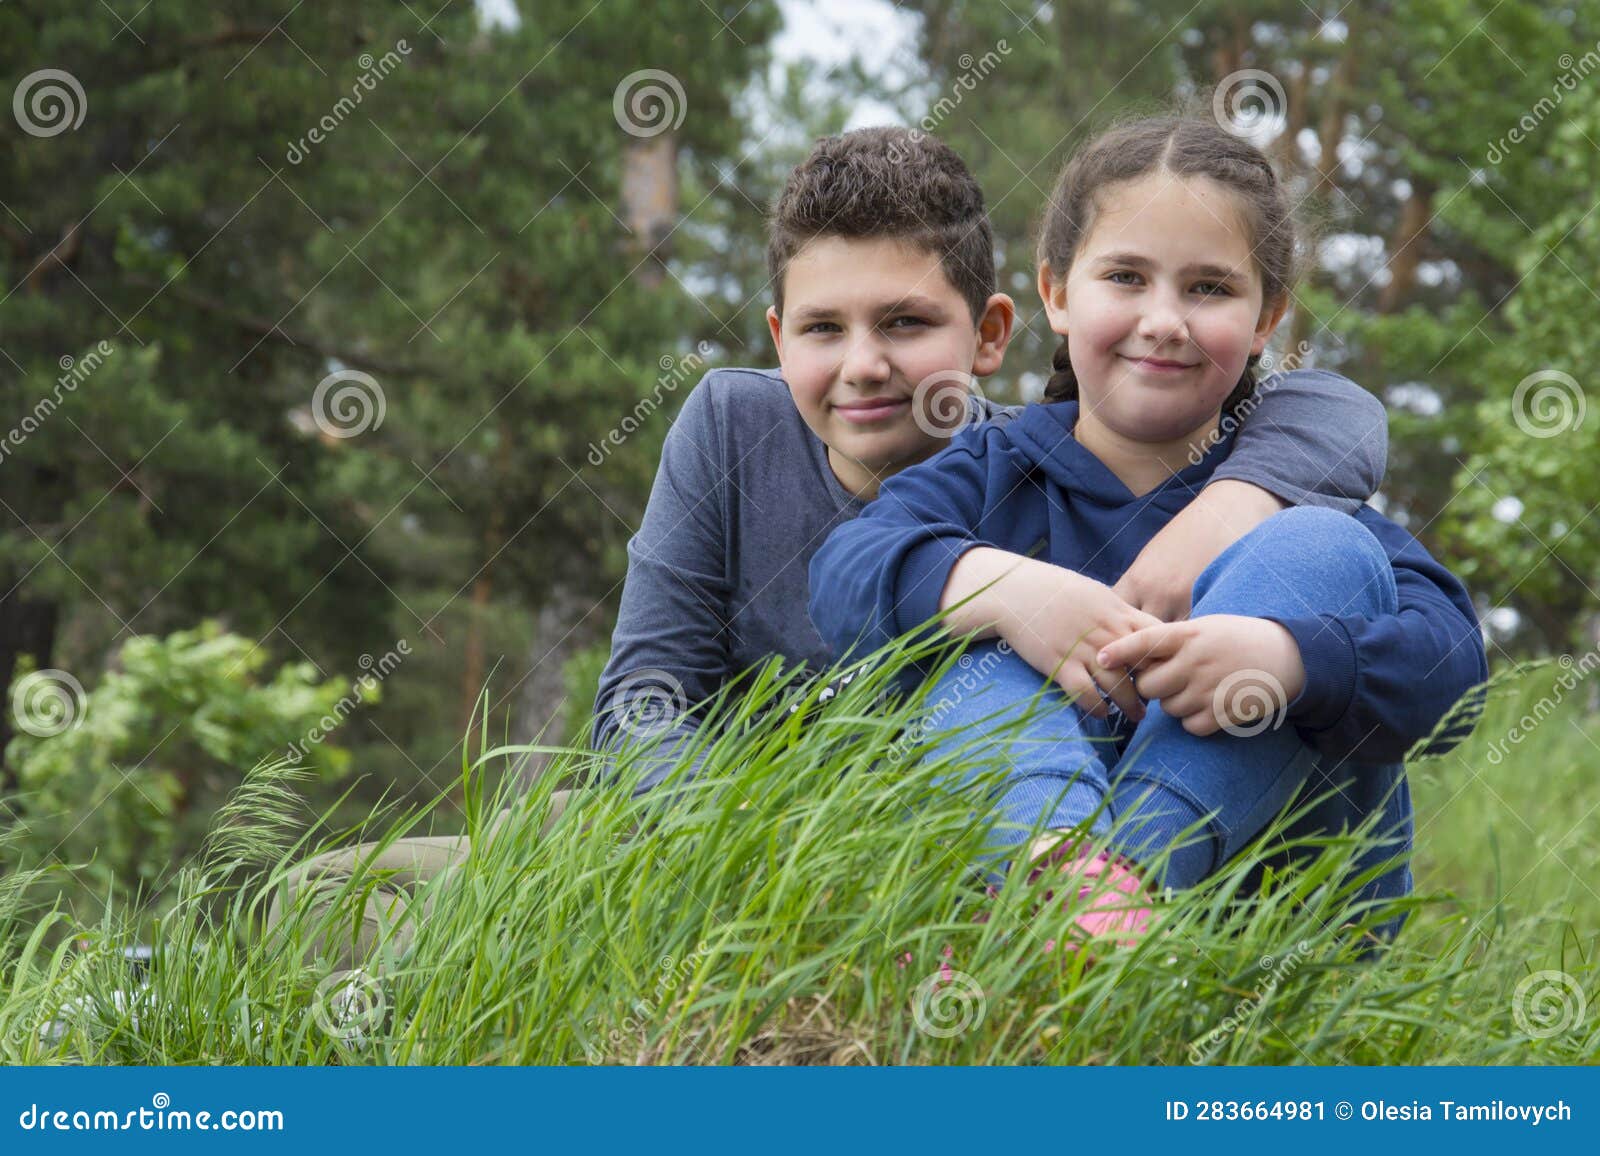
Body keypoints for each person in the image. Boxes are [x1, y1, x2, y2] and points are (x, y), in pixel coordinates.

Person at [266, 125, 1391, 973]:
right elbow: (647, 693)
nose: (865, 365)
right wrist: (730, 852)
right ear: (776, 337)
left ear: (994, 332)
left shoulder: (1029, 471)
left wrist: (1234, 497)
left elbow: (1332, 411)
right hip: (685, 835)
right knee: (323, 901)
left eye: (906, 324)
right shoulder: (730, 425)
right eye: (823, 328)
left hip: (931, 865)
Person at [805, 112, 1489, 956]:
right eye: (1125, 276)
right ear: (1056, 294)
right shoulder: (993, 472)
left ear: (1267, 317)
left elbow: (1452, 671)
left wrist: (1289, 661)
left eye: (1209, 288)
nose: (1164, 319)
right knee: (970, 636)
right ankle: (1070, 889)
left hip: (1271, 944)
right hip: (1034, 851)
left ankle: (1097, 925)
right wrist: (1014, 593)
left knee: (1323, 555)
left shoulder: (1298, 495)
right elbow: (843, 572)